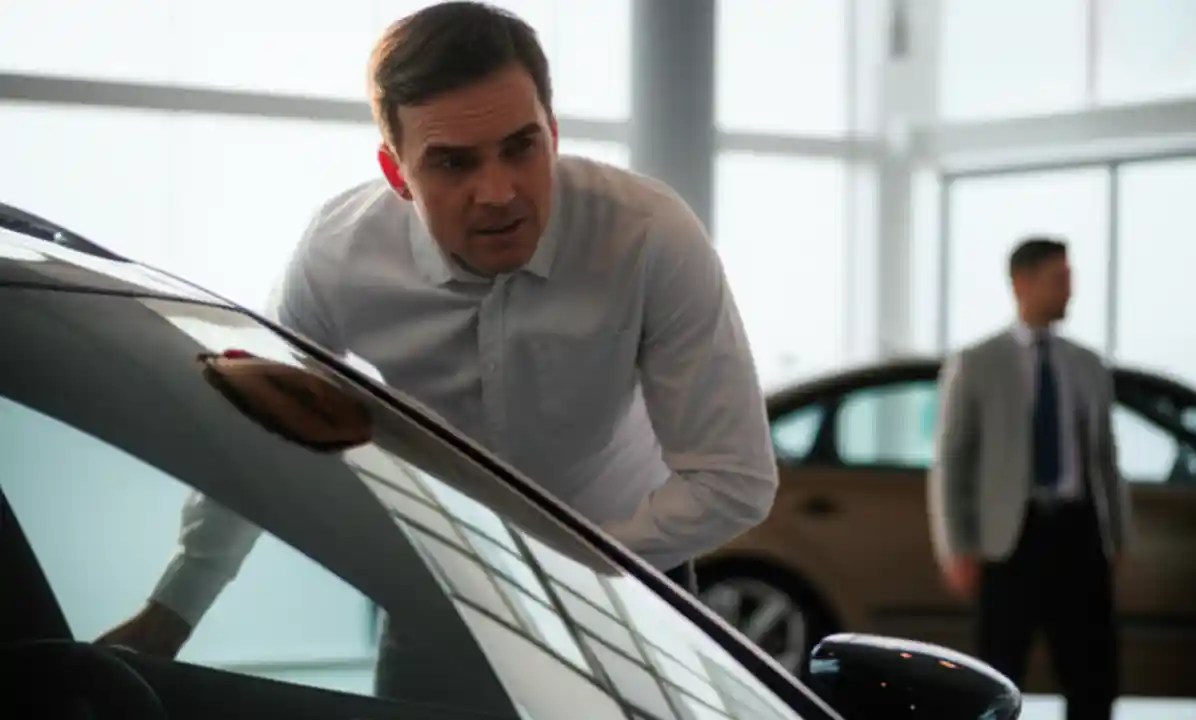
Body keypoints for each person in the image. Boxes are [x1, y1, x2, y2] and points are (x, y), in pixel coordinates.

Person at [97, 0, 777, 674]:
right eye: (454, 164)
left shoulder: (649, 234)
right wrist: (171, 613)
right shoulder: (340, 254)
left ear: (554, 135)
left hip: (632, 591)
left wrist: (553, 578)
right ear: (397, 173)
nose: (499, 192)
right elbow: (255, 435)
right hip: (445, 598)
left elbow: (732, 482)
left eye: (521, 147)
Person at [926, 237, 1131, 720]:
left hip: (1079, 532)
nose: (1070, 291)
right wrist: (957, 546)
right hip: (1010, 539)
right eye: (1060, 279)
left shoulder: (1086, 364)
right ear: (1022, 283)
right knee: (999, 672)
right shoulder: (977, 363)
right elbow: (952, 461)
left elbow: (1105, 457)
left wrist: (1117, 536)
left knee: (1093, 671)